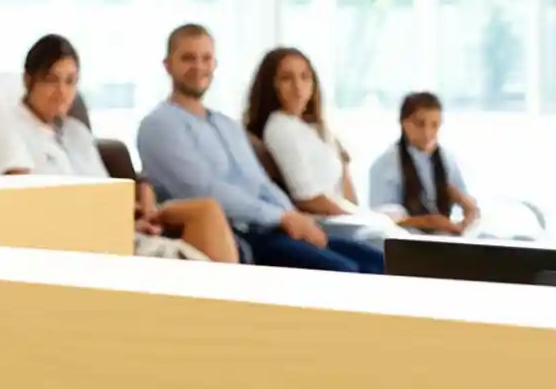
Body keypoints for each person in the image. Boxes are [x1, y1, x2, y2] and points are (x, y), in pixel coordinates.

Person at [136, 24, 384, 274]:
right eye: (188, 58)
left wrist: (293, 216)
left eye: (206, 58)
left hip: (274, 228)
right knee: (347, 272)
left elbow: (260, 183)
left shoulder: (227, 124)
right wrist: (282, 218)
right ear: (168, 65)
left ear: (215, 64)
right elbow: (203, 191)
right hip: (236, 236)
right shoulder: (159, 125)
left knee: (379, 261)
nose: (199, 66)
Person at [0, 34, 239, 263]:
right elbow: (28, 209)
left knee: (206, 250)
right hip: (74, 251)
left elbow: (104, 197)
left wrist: (134, 216)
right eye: (51, 80)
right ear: (28, 80)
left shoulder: (76, 133)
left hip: (116, 240)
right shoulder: (6, 133)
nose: (62, 92)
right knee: (202, 272)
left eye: (70, 81)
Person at [244, 47, 403, 247]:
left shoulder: (309, 129)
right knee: (392, 238)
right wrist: (361, 216)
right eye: (287, 78)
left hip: (339, 217)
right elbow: (307, 198)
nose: (298, 87)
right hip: (322, 223)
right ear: (271, 85)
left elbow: (342, 191)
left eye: (305, 77)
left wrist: (363, 213)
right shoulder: (280, 128)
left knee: (396, 219)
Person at [368, 92, 480, 236]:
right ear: (404, 123)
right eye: (420, 124)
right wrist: (429, 222)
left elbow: (468, 204)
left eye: (435, 125)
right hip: (403, 240)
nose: (428, 132)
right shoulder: (385, 165)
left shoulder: (448, 161)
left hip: (444, 238)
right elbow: (381, 219)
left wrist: (467, 208)